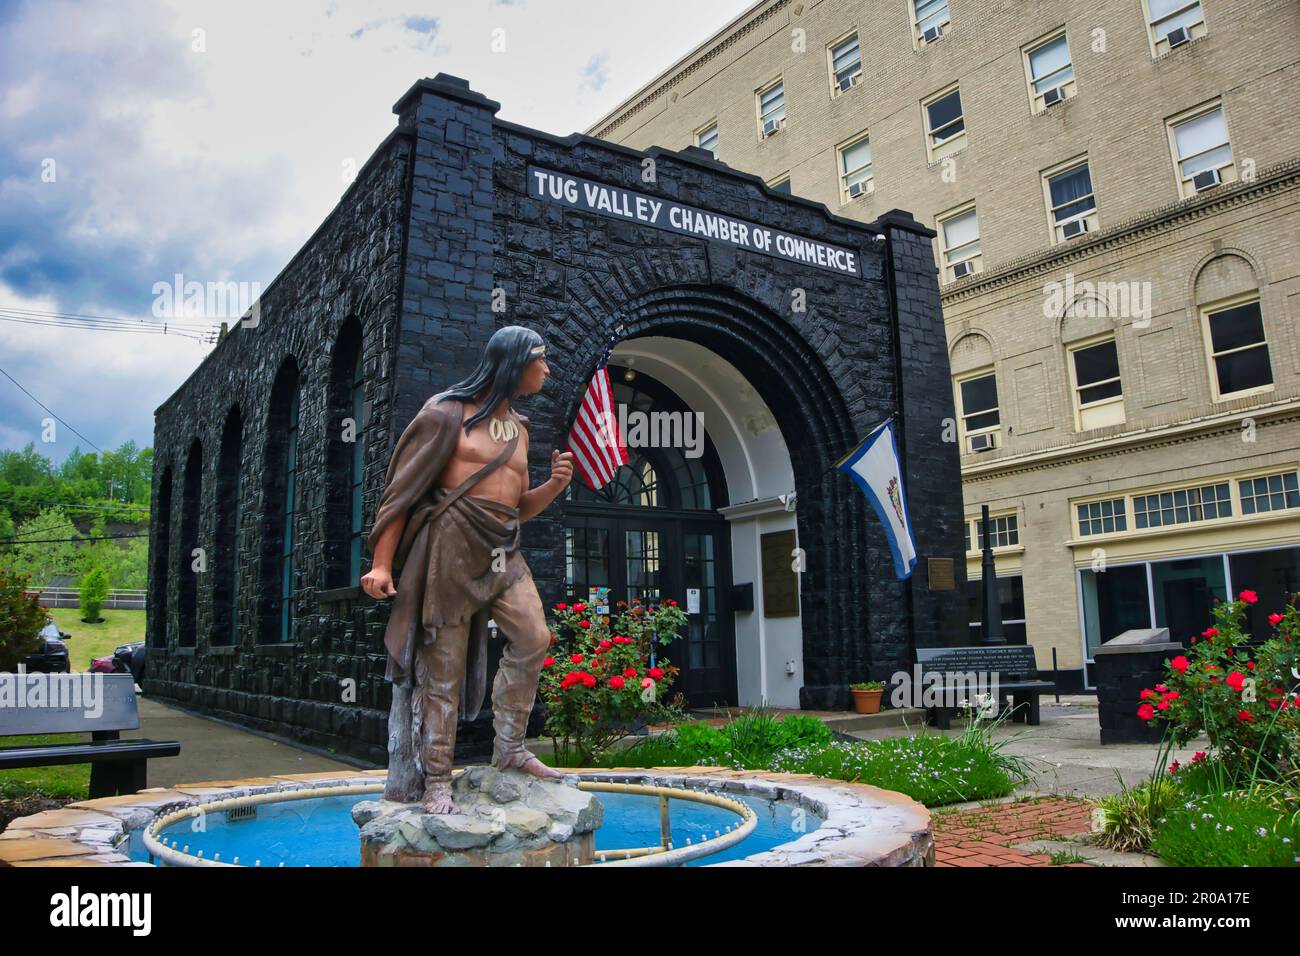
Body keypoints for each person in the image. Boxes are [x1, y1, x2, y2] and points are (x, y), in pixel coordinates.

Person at [361, 326, 575, 814]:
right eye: (540, 359)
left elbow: (515, 506)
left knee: (534, 636)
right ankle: (438, 776)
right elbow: (403, 492)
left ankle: (511, 749)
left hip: (503, 549)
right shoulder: (444, 413)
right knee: (444, 668)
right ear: (513, 363)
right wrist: (381, 563)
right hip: (451, 547)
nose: (546, 369)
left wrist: (553, 487)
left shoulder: (519, 429)